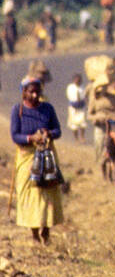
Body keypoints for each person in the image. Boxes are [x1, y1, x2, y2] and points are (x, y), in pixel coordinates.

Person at [10, 78, 63, 243]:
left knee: (48, 190)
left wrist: (49, 133)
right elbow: (15, 135)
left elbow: (58, 130)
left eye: (37, 92)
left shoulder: (48, 108)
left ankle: (46, 231)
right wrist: (31, 138)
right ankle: (34, 231)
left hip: (46, 153)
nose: (35, 95)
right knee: (30, 192)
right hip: (27, 155)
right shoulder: (17, 110)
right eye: (31, 91)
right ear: (24, 92)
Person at [66, 72, 87, 142]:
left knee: (83, 123)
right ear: (73, 80)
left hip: (81, 107)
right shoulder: (70, 87)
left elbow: (85, 96)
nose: (77, 81)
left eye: (79, 80)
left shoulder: (83, 88)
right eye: (76, 79)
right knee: (74, 124)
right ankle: (76, 138)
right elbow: (69, 96)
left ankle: (82, 137)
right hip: (73, 108)